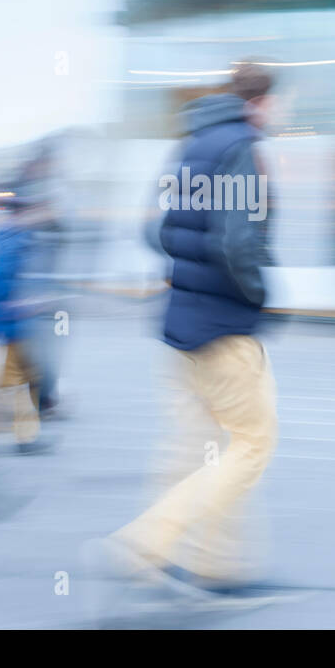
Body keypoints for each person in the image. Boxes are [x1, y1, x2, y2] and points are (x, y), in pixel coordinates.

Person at [90, 62, 278, 596]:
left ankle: (215, 565)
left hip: (180, 319)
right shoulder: (242, 147)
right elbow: (238, 242)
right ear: (261, 101)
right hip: (223, 325)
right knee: (251, 444)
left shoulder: (190, 146)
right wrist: (257, 294)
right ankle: (144, 544)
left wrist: (188, 265)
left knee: (192, 448)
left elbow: (155, 230)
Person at [0, 194, 62, 452]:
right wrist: (20, 308)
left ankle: (25, 435)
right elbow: (0, 284)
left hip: (7, 322)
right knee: (19, 380)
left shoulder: (7, 238)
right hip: (10, 323)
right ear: (22, 214)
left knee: (17, 379)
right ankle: (23, 437)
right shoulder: (14, 240)